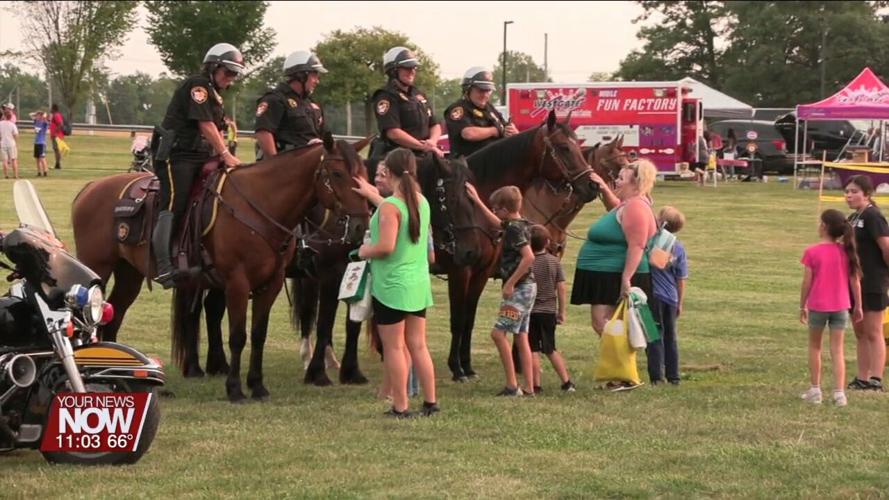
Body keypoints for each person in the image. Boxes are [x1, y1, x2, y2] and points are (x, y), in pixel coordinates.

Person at [152, 42, 244, 288]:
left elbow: (217, 128)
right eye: (228, 72)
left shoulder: (215, 94)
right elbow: (205, 124)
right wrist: (225, 154)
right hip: (176, 155)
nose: (231, 79)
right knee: (176, 201)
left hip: (201, 156)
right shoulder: (198, 86)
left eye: (235, 74)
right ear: (213, 67)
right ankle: (163, 266)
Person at [355, 148, 437, 418]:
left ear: (388, 172)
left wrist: (364, 250)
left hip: (392, 285)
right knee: (418, 345)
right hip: (417, 284)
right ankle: (430, 402)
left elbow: (386, 246)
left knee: (394, 347)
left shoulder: (391, 206)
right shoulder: (421, 203)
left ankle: (400, 405)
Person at [572, 159, 659, 391]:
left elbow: (637, 245)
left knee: (607, 325)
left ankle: (624, 375)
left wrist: (626, 279)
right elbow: (615, 209)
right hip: (606, 273)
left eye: (621, 178)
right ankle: (621, 374)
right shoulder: (627, 204)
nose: (616, 181)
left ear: (636, 182)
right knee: (609, 325)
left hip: (615, 274)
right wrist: (602, 186)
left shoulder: (636, 207)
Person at [467, 184, 536, 396]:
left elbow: (529, 257)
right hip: (529, 288)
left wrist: (510, 283)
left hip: (520, 289)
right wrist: (478, 201)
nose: (495, 212)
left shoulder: (514, 229)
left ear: (505, 209)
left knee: (498, 334)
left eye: (496, 208)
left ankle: (512, 385)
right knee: (521, 336)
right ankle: (530, 387)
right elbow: (497, 223)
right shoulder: (521, 223)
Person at [799, 209, 863, 406]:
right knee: (838, 350)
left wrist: (802, 305)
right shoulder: (847, 252)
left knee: (815, 346)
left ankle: (815, 389)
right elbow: (855, 282)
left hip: (818, 305)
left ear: (824, 227)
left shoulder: (812, 252)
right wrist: (858, 306)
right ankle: (839, 393)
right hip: (841, 306)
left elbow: (807, 282)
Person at [844, 175, 889, 391]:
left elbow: (886, 247)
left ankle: (876, 379)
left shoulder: (873, 217)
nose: (849, 195)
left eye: (854, 191)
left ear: (867, 194)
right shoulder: (852, 217)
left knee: (873, 331)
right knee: (859, 331)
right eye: (847, 191)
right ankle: (861, 377)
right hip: (855, 283)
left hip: (873, 282)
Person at [369, 46, 444, 164]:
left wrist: (432, 142)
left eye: (414, 67)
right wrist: (422, 146)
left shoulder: (419, 95)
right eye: (407, 68)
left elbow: (435, 125)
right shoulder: (385, 96)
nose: (412, 71)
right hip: (398, 158)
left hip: (425, 153)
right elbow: (393, 133)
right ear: (393, 70)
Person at [527, 224, 575, 394]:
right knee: (550, 348)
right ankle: (566, 381)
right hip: (548, 311)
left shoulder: (527, 263)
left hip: (531, 311)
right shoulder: (554, 262)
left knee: (533, 349)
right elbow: (561, 288)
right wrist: (561, 311)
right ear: (547, 242)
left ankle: (535, 384)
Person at [254, 51, 327, 160]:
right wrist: (274, 165)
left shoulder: (312, 105)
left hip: (309, 165)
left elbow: (323, 135)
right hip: (285, 167)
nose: (317, 81)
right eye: (314, 75)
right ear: (301, 75)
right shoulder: (275, 99)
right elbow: (263, 132)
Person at [645, 206, 689, 385]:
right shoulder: (678, 247)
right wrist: (680, 302)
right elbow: (681, 277)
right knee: (670, 337)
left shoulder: (651, 241)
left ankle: (656, 376)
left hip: (652, 296)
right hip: (671, 298)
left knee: (653, 335)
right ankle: (673, 375)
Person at [443, 67, 517, 158]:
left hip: (494, 160)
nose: (485, 95)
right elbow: (468, 134)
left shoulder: (489, 108)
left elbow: (504, 127)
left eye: (488, 90)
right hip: (468, 164)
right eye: (481, 90)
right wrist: (494, 131)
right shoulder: (458, 109)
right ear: (468, 89)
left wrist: (513, 132)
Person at [0, 107, 19, 179]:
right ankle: (15, 175)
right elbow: (16, 135)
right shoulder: (12, 125)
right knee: (14, 159)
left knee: (5, 160)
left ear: (4, 116)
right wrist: (15, 141)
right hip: (11, 143)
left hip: (3, 143)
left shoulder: (0, 124)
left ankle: (6, 175)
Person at [30, 110, 49, 177]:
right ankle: (39, 172)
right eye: (37, 115)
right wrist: (36, 113)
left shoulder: (44, 123)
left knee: (42, 158)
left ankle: (45, 171)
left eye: (38, 115)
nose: (36, 116)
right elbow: (30, 115)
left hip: (42, 142)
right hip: (36, 142)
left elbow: (47, 122)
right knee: (37, 158)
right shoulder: (36, 122)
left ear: (41, 116)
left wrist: (44, 116)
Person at [49, 104, 65, 170]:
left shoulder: (56, 115)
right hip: (55, 135)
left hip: (56, 136)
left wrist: (55, 132)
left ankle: (58, 164)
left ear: (54, 109)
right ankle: (57, 164)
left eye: (51, 108)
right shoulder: (55, 115)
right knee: (56, 150)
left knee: (57, 150)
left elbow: (61, 124)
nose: (50, 110)